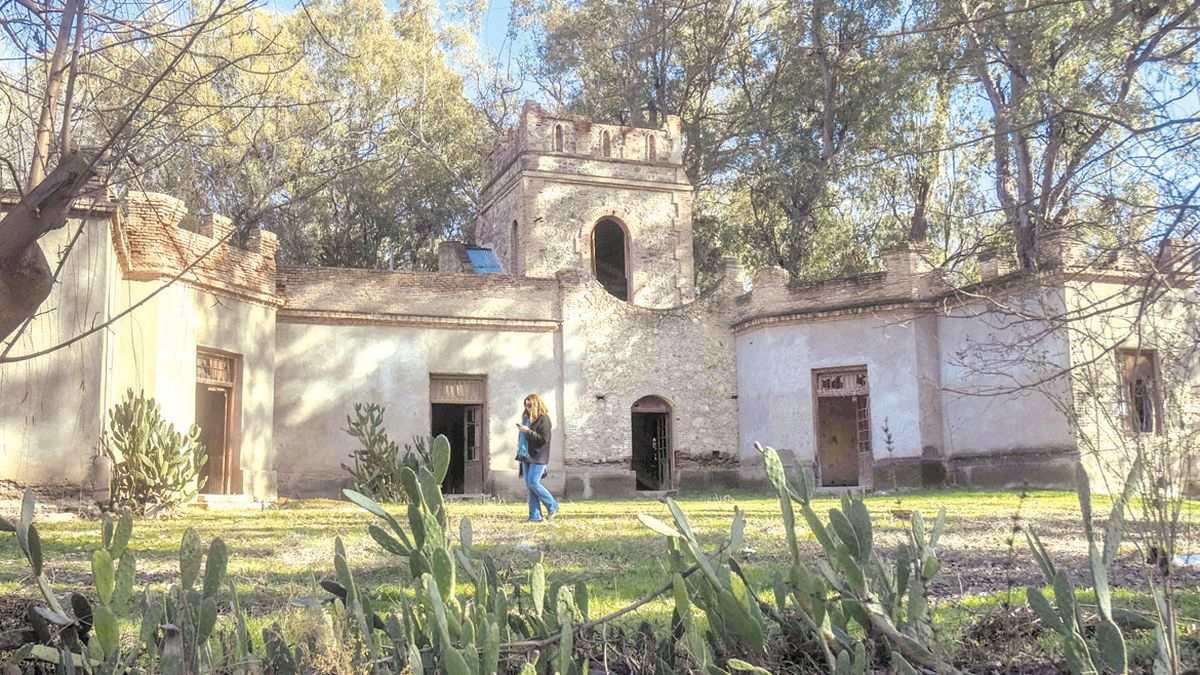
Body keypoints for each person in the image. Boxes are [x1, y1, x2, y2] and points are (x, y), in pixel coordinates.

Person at [516, 393, 558, 522]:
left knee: (534, 483)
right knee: (530, 486)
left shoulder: (544, 419)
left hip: (539, 455)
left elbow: (543, 440)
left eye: (529, 405)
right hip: (526, 455)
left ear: (536, 404)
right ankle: (534, 517)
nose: (527, 408)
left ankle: (553, 505)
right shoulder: (527, 418)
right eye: (525, 405)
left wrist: (527, 431)